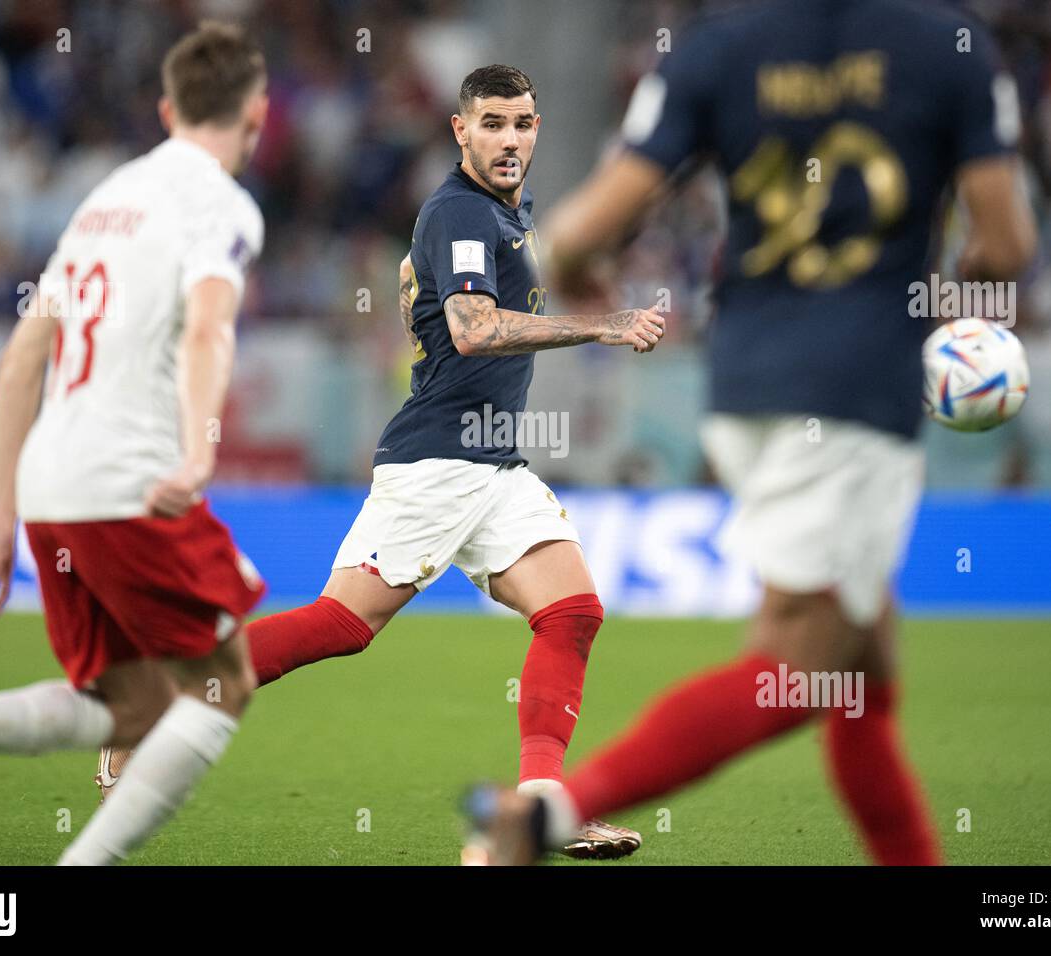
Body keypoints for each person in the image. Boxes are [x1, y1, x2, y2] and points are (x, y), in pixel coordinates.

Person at [465, 0, 1037, 864]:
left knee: (861, 673)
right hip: (852, 397)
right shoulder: (949, 48)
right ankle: (542, 817)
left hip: (745, 388)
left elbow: (578, 233)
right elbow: (1007, 242)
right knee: (801, 669)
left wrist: (586, 276)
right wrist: (954, 295)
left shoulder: (715, 52)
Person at [98, 64, 666, 860]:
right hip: (437, 462)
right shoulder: (463, 212)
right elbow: (471, 326)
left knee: (571, 612)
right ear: (460, 130)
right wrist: (601, 324)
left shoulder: (500, 213)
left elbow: (419, 284)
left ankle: (540, 803)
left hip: (493, 464)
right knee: (342, 625)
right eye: (494, 123)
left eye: (525, 122)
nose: (512, 139)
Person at [0, 22, 270, 865]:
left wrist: (3, 499)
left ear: (166, 109)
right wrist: (198, 453)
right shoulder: (222, 205)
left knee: (131, 709)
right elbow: (208, 329)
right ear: (258, 113)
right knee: (223, 685)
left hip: (50, 485)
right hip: (128, 483)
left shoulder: (105, 199)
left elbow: (23, 355)